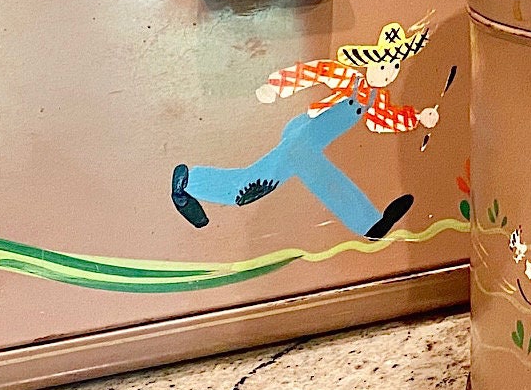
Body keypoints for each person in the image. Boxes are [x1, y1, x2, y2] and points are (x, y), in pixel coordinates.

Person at [170, 19, 437, 238]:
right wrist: (277, 86)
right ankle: (368, 224)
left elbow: (384, 119)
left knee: (259, 182)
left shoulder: (375, 98)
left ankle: (190, 184)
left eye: (394, 66)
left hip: (310, 142)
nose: (389, 73)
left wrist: (418, 118)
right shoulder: (349, 78)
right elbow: (315, 71)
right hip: (305, 130)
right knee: (304, 174)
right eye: (384, 64)